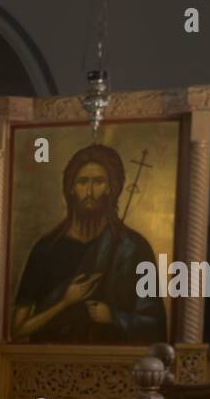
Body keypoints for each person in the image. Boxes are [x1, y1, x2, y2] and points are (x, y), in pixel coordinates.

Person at [10, 144, 166, 344]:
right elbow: (17, 329)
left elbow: (155, 326)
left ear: (111, 188)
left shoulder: (134, 247)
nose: (90, 192)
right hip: (51, 363)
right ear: (71, 188)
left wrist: (115, 317)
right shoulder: (46, 248)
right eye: (82, 182)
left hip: (113, 366)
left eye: (98, 182)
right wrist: (64, 302)